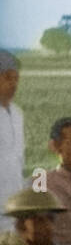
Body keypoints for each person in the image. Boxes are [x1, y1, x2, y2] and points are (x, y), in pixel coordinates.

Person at [0, 50, 24, 235]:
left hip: (14, 206)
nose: (13, 84)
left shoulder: (17, 114)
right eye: (8, 78)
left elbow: (18, 160)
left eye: (16, 78)